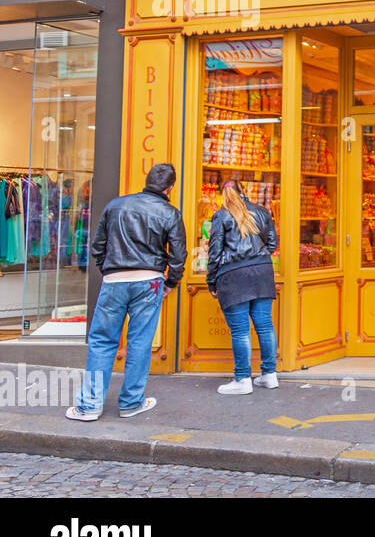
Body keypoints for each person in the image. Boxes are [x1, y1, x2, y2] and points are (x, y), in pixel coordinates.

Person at [66, 163, 187, 421]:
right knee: (140, 342)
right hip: (150, 281)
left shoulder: (116, 205)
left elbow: (98, 245)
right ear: (170, 187)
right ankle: (131, 402)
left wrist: (108, 271)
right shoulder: (170, 213)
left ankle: (89, 406)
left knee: (102, 341)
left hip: (115, 279)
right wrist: (170, 284)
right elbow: (178, 256)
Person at [206, 179, 280, 395]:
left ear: (224, 194)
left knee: (240, 331)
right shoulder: (261, 211)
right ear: (243, 191)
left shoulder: (221, 215)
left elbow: (215, 251)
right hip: (262, 272)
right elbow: (272, 244)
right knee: (265, 325)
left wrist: (211, 280)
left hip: (234, 276)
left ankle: (242, 379)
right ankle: (269, 375)